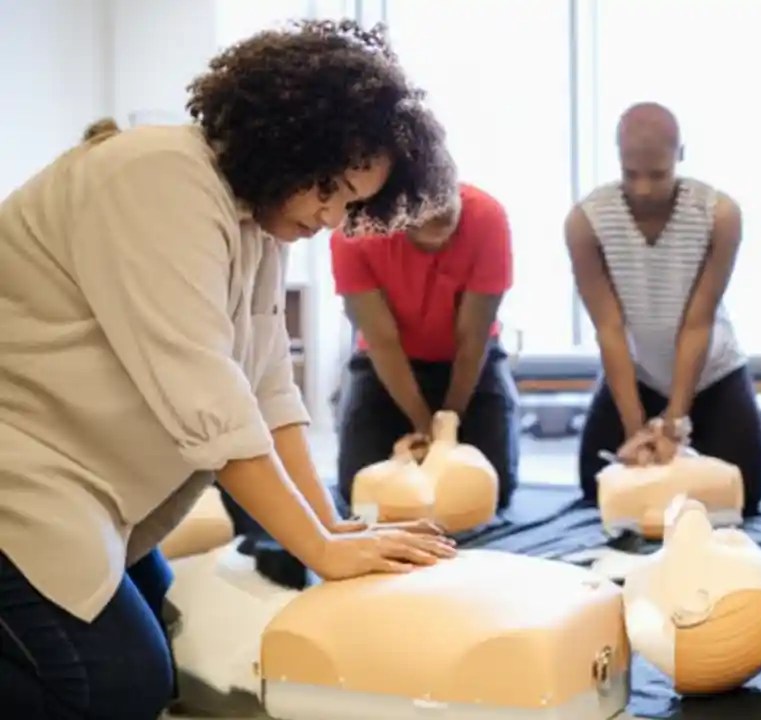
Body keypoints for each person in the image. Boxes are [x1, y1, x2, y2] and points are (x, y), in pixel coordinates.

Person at [0, 20, 460, 717]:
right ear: (286, 139)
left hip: (80, 481)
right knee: (117, 688)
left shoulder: (258, 224)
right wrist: (318, 547)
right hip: (23, 466)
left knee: (157, 636)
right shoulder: (158, 175)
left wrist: (330, 528)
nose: (334, 216)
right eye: (329, 186)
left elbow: (268, 388)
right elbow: (206, 393)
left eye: (354, 204)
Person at [567, 102, 761, 516]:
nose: (642, 188)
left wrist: (675, 422)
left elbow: (699, 321)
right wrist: (636, 429)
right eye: (630, 173)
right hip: (635, 371)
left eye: (656, 175)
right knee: (595, 486)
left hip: (712, 372)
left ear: (680, 155)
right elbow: (608, 327)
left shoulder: (720, 215)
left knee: (747, 493)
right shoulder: (585, 221)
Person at [331, 182, 520, 511]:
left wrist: (445, 431)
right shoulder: (354, 231)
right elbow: (383, 342)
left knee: (495, 489)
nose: (441, 240)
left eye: (448, 225)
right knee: (357, 489)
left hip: (469, 360)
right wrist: (422, 425)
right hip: (388, 363)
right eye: (426, 231)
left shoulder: (487, 217)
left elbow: (472, 338)